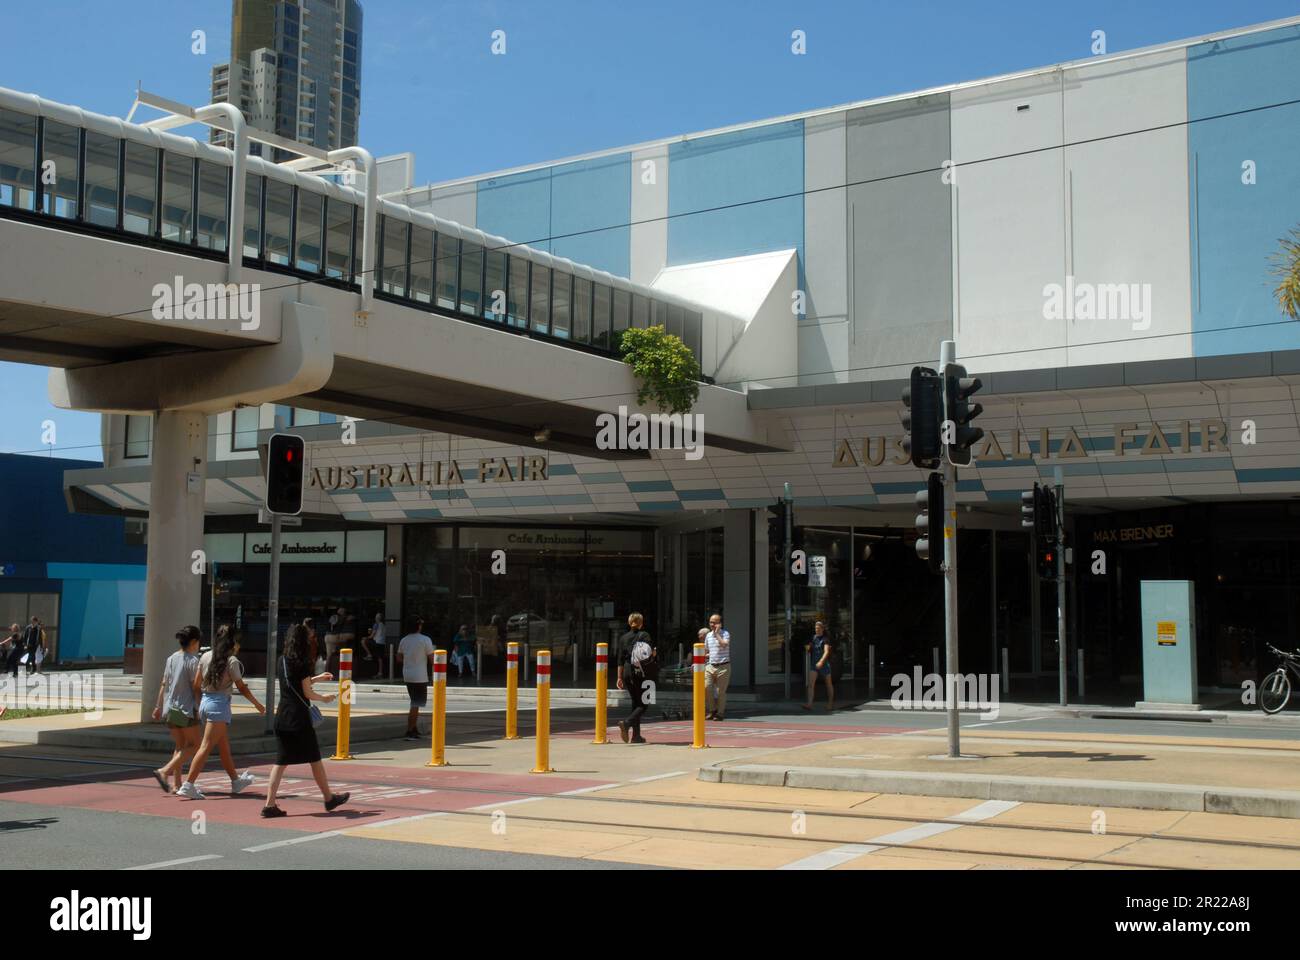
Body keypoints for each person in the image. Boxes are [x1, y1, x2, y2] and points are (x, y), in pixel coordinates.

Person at [261, 623, 351, 818]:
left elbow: (293, 682)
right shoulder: (302, 662)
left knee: (281, 761)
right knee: (314, 758)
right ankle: (328, 798)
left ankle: (269, 804)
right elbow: (306, 692)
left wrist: (317, 678)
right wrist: (324, 698)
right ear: (303, 642)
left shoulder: (282, 660)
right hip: (298, 718)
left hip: (282, 716)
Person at [177, 626, 264, 800]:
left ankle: (235, 781)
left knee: (223, 746)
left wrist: (201, 705)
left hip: (206, 703)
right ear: (232, 642)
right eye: (237, 641)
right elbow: (242, 688)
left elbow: (196, 685)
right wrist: (258, 705)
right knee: (206, 746)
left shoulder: (206, 656)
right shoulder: (231, 661)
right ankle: (188, 785)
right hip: (220, 706)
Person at [151, 626, 203, 793]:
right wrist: (201, 705)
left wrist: (158, 706)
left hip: (170, 708)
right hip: (185, 708)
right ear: (194, 642)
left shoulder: (171, 659)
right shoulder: (193, 662)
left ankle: (177, 784)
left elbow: (164, 684)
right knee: (195, 746)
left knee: (180, 746)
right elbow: (196, 687)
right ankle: (164, 771)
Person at [616, 612, 655, 744]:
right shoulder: (645, 635)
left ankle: (636, 736)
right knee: (644, 703)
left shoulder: (623, 638)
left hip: (627, 671)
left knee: (635, 702)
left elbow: (620, 660)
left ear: (629, 622)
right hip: (640, 671)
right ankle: (626, 723)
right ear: (641, 623)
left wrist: (619, 677)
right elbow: (649, 653)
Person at [396, 616, 435, 741]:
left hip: (407, 674)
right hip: (420, 675)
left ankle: (414, 728)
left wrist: (409, 662)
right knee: (415, 703)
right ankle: (409, 729)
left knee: (415, 702)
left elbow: (398, 658)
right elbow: (432, 659)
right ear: (419, 626)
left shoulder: (404, 640)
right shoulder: (425, 640)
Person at [704, 613, 731, 721]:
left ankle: (720, 713)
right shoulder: (708, 636)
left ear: (720, 624)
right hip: (711, 665)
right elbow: (707, 650)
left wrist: (717, 634)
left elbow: (724, 644)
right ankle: (712, 710)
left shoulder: (725, 634)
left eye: (715, 622)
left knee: (720, 692)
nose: (712, 624)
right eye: (711, 622)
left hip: (723, 666)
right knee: (707, 688)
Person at [803, 621, 835, 712]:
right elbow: (809, 648)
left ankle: (830, 703)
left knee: (828, 684)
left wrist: (821, 661)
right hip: (814, 664)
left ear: (822, 629)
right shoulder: (813, 638)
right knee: (811, 684)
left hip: (824, 664)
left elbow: (826, 652)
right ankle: (809, 704)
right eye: (815, 628)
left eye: (818, 628)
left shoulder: (825, 639)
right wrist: (808, 648)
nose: (816, 630)